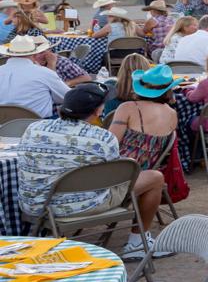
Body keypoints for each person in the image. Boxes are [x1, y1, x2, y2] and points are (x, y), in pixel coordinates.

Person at [15, 84, 140, 238]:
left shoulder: (34, 128)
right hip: (79, 207)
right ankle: (138, 241)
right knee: (153, 178)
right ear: (98, 111)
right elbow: (114, 178)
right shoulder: (103, 138)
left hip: (35, 205)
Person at [105, 64, 183, 256]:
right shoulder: (171, 114)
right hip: (141, 176)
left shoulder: (128, 107)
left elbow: (109, 143)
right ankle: (137, 239)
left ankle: (137, 241)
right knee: (156, 179)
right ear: (167, 90)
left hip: (115, 176)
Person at [0, 35, 69, 117]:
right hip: (37, 125)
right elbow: (66, 97)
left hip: (3, 125)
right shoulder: (44, 72)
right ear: (35, 54)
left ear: (9, 54)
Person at [102, 53, 153, 122]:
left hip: (110, 128)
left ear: (122, 69)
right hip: (145, 128)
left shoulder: (109, 86)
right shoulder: (154, 91)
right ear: (147, 70)